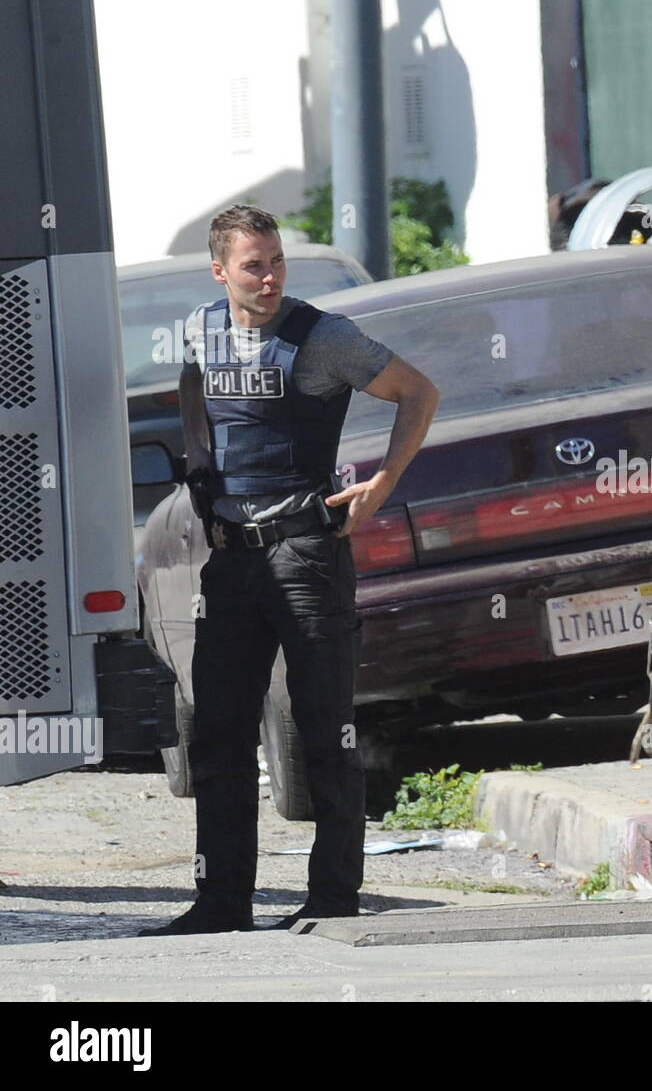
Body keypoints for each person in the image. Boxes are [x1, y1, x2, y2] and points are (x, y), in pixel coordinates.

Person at [140, 205, 440, 935]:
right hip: (231, 562)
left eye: (276, 262)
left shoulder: (322, 337)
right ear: (221, 271)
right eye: (254, 265)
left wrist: (382, 483)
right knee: (216, 732)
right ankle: (221, 901)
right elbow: (195, 403)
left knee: (321, 732)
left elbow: (417, 392)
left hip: (306, 552)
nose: (269, 277)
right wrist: (200, 485)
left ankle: (333, 899)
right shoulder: (200, 329)